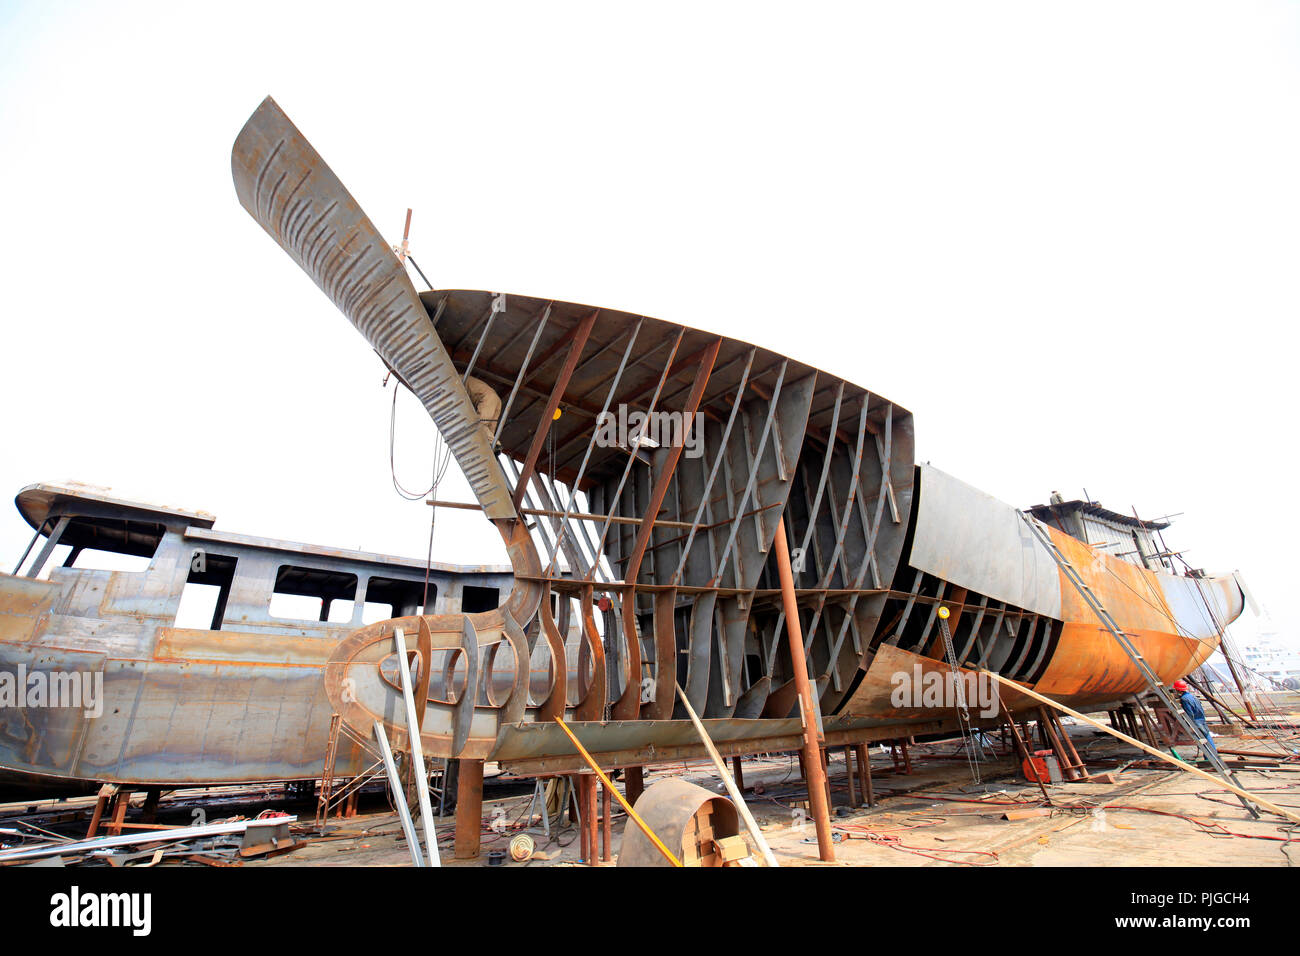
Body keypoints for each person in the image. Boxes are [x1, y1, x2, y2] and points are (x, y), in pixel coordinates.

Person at [1172, 679, 1219, 760]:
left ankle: (1209, 758)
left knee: (1202, 740)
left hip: (1196, 722)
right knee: (1207, 737)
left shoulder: (1184, 699)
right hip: (1201, 719)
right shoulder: (1193, 696)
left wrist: (1190, 724)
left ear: (1178, 690)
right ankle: (1212, 756)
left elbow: (1189, 713)